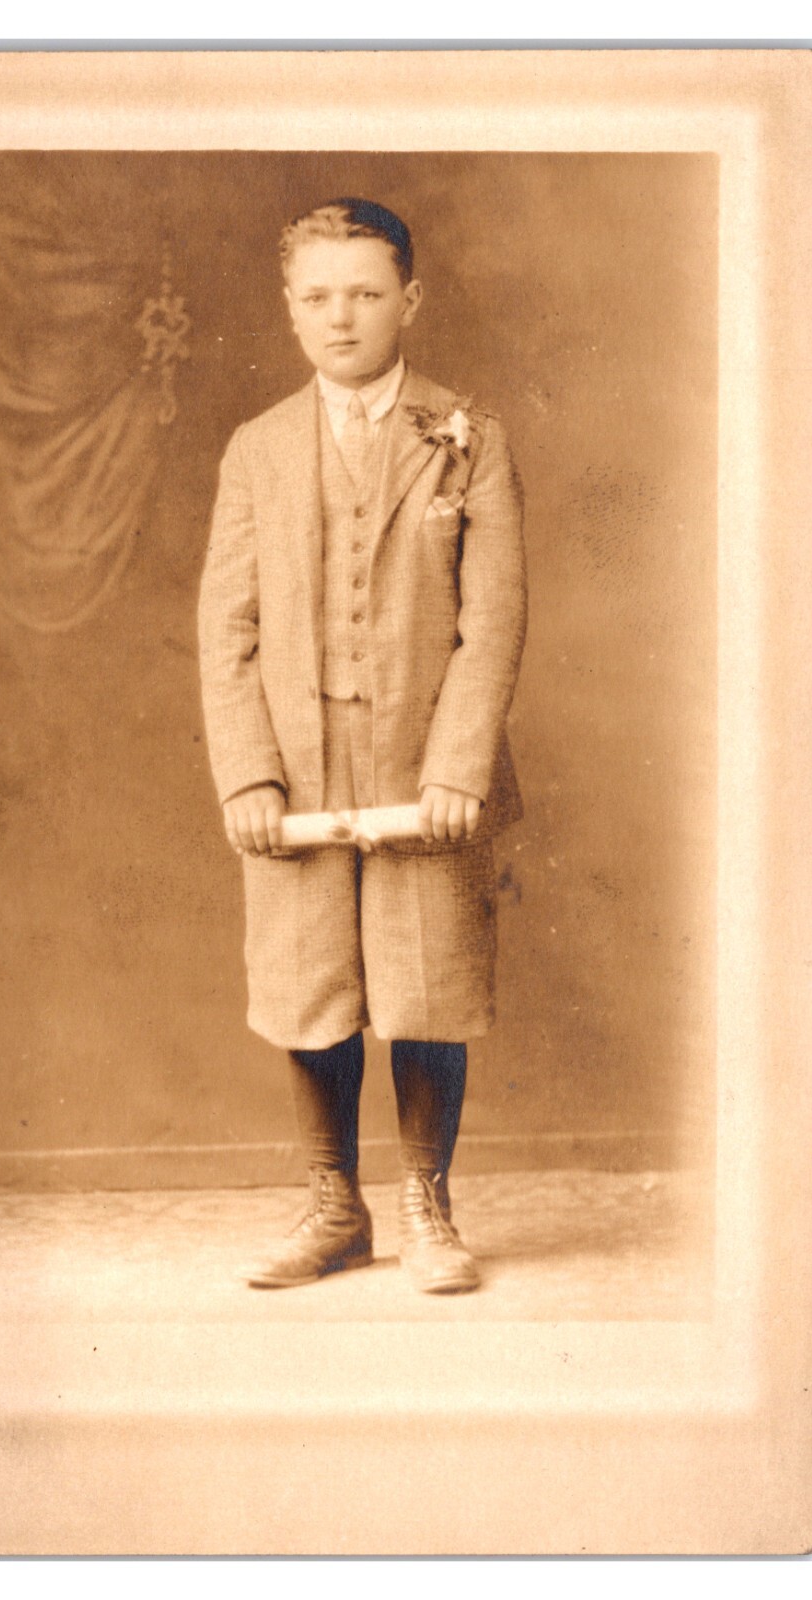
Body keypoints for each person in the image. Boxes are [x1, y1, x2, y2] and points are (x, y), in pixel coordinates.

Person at [197, 198, 527, 1293]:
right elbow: (227, 629)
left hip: (422, 765)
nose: (342, 318)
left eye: (367, 294)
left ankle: (428, 1202)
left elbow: (494, 621)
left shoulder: (466, 435)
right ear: (291, 309)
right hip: (297, 766)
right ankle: (334, 1204)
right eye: (318, 297)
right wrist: (248, 770)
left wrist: (455, 768)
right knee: (310, 981)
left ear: (410, 301)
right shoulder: (257, 449)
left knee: (426, 979)